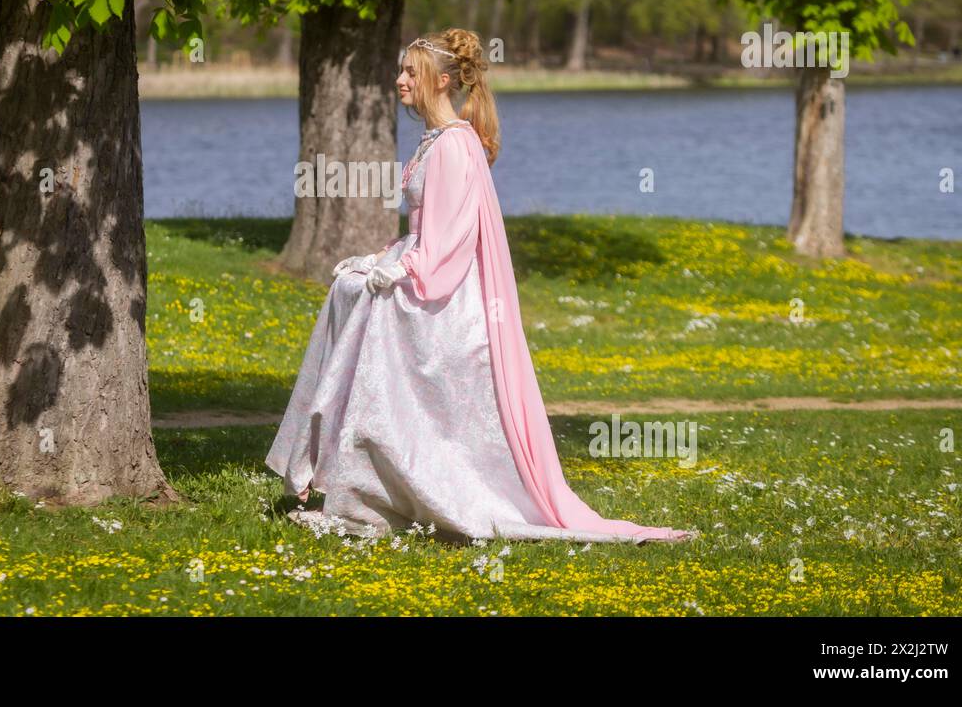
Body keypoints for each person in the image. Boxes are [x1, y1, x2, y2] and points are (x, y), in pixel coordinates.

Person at [264, 28, 697, 544]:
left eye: (411, 72)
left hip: (444, 285)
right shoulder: (436, 141)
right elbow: (427, 227)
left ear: (442, 81)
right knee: (349, 292)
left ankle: (374, 492)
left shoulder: (455, 144)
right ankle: (353, 481)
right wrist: (381, 257)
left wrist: (404, 270)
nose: (399, 80)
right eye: (401, 70)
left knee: (368, 311)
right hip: (424, 262)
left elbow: (452, 234)